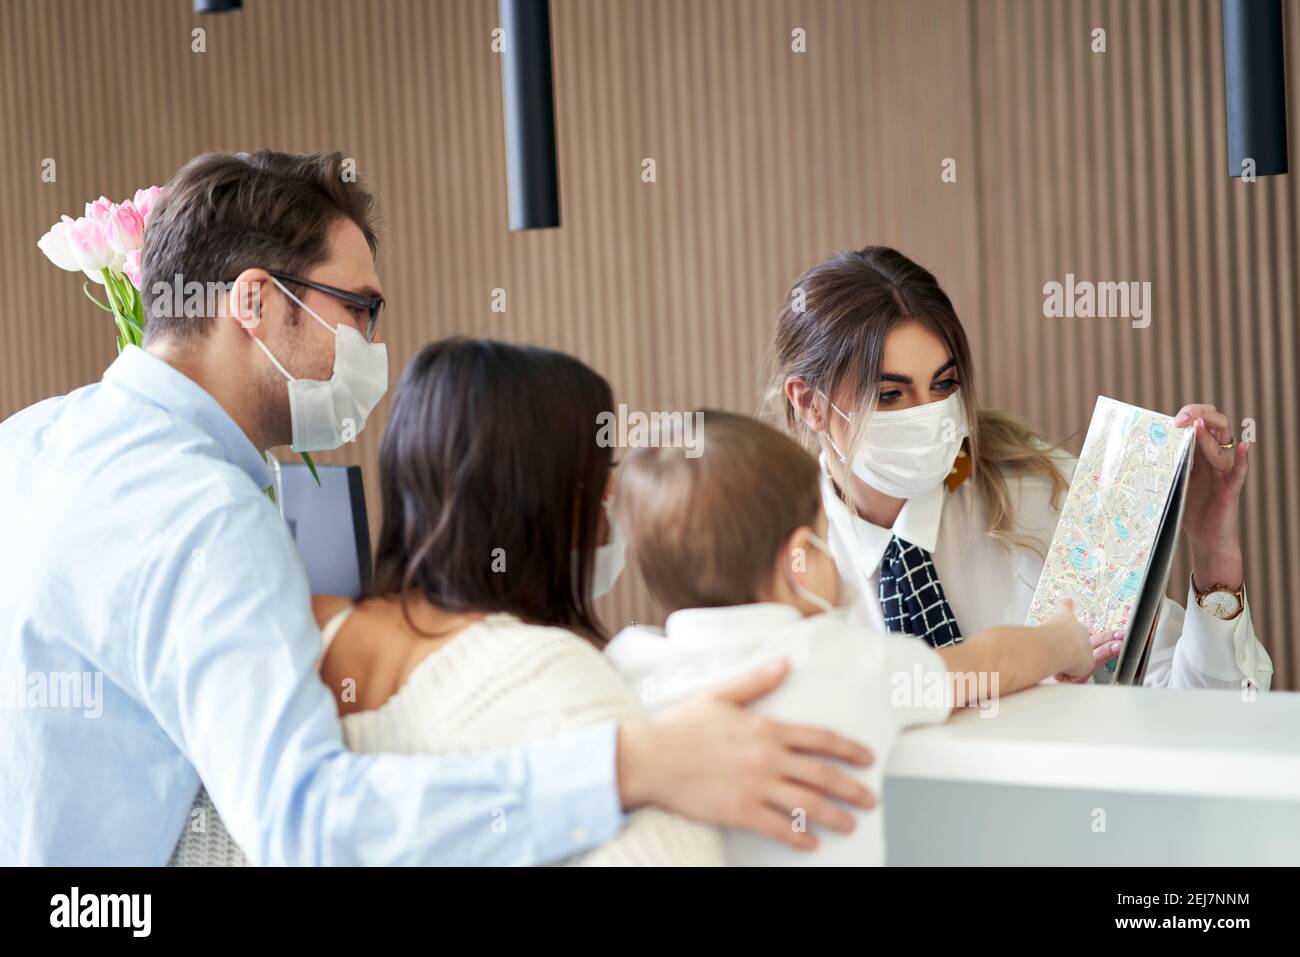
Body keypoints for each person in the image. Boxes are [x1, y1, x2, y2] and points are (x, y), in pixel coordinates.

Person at [0, 151, 875, 866]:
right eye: (361, 311)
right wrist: (628, 763)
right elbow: (303, 825)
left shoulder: (24, 446)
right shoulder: (209, 519)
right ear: (257, 302)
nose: (375, 347)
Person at [175, 338, 729, 865]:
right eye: (601, 468)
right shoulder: (551, 677)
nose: (614, 493)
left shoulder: (282, 637)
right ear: (544, 496)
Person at [605, 410, 1095, 865]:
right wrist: (1063, 640)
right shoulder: (845, 659)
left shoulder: (623, 668)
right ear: (800, 558)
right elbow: (989, 662)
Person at [772, 246, 1271, 690]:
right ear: (810, 403)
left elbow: (1199, 710)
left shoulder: (1049, 495)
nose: (928, 415)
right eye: (889, 394)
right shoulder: (773, 559)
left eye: (943, 385)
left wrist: (1214, 556)